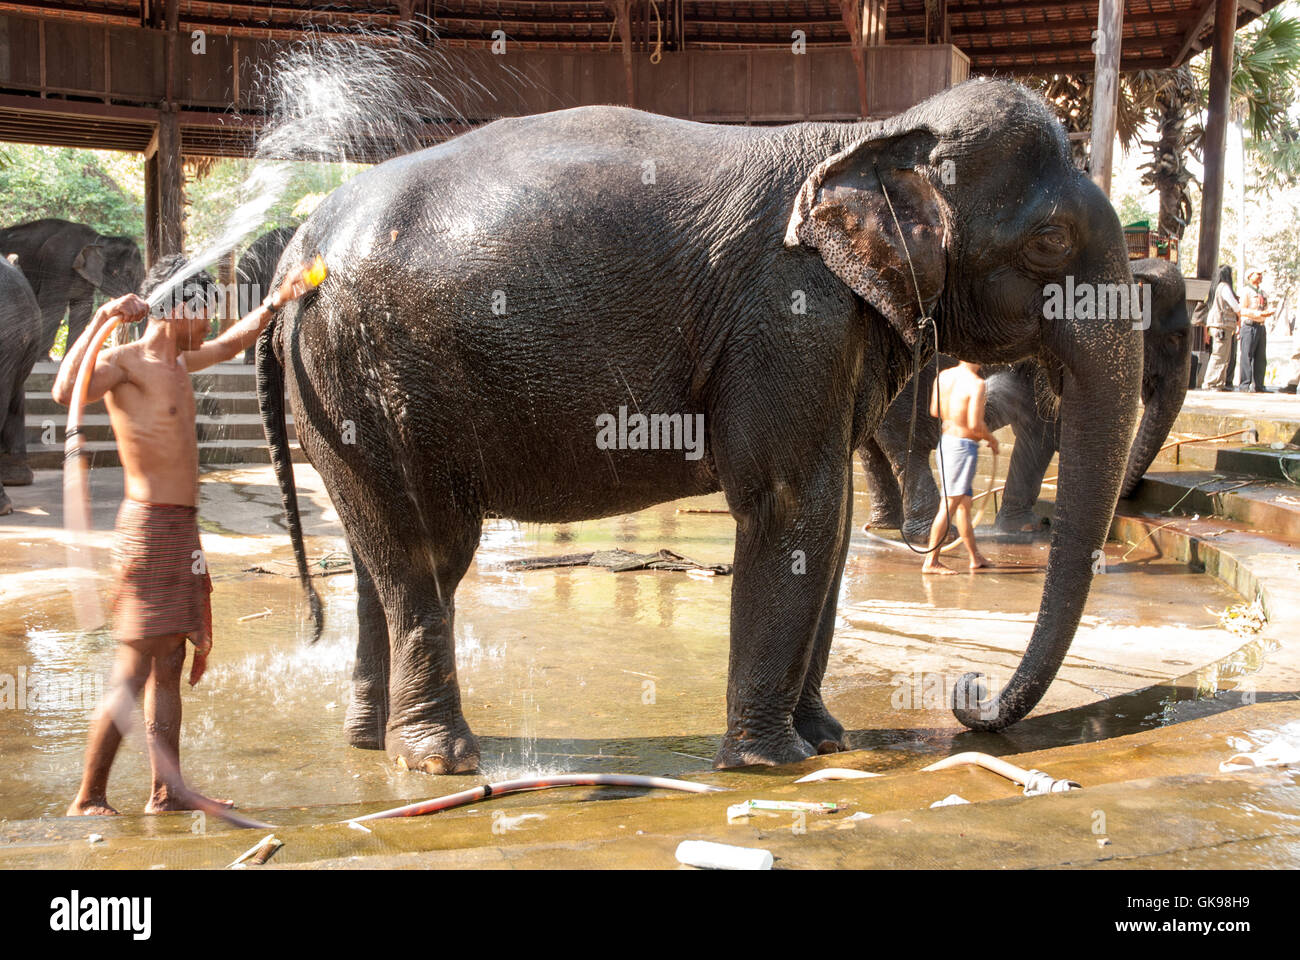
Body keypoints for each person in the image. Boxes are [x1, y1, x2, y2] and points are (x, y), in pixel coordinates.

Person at [54, 253, 316, 816]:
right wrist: (102, 320)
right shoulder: (125, 362)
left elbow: (231, 345)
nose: (211, 323)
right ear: (178, 309)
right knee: (133, 666)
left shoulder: (180, 361)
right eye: (205, 312)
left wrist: (277, 301)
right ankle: (88, 797)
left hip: (179, 529)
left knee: (168, 663)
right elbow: (64, 391)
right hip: (147, 532)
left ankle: (167, 790)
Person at [922, 360, 999, 575]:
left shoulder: (943, 376)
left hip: (946, 443)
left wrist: (955, 417)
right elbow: (975, 424)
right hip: (963, 448)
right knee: (949, 505)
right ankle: (931, 561)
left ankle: (975, 557)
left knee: (964, 505)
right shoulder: (976, 384)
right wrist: (991, 439)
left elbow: (935, 410)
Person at [1201, 265, 1240, 391]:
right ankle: (1210, 382)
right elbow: (1235, 306)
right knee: (1219, 355)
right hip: (1222, 326)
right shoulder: (1224, 288)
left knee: (1222, 355)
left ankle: (1218, 383)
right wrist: (1240, 313)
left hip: (1218, 326)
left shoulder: (1216, 288)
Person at [1238, 269, 1274, 393]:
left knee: (1260, 357)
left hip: (1261, 326)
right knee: (1246, 356)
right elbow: (1242, 309)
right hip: (1249, 326)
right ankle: (1244, 385)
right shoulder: (1246, 291)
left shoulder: (1262, 292)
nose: (1260, 276)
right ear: (1250, 276)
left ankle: (1259, 385)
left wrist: (1268, 312)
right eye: (1257, 274)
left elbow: (1266, 307)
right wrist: (1258, 313)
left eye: (1261, 274)